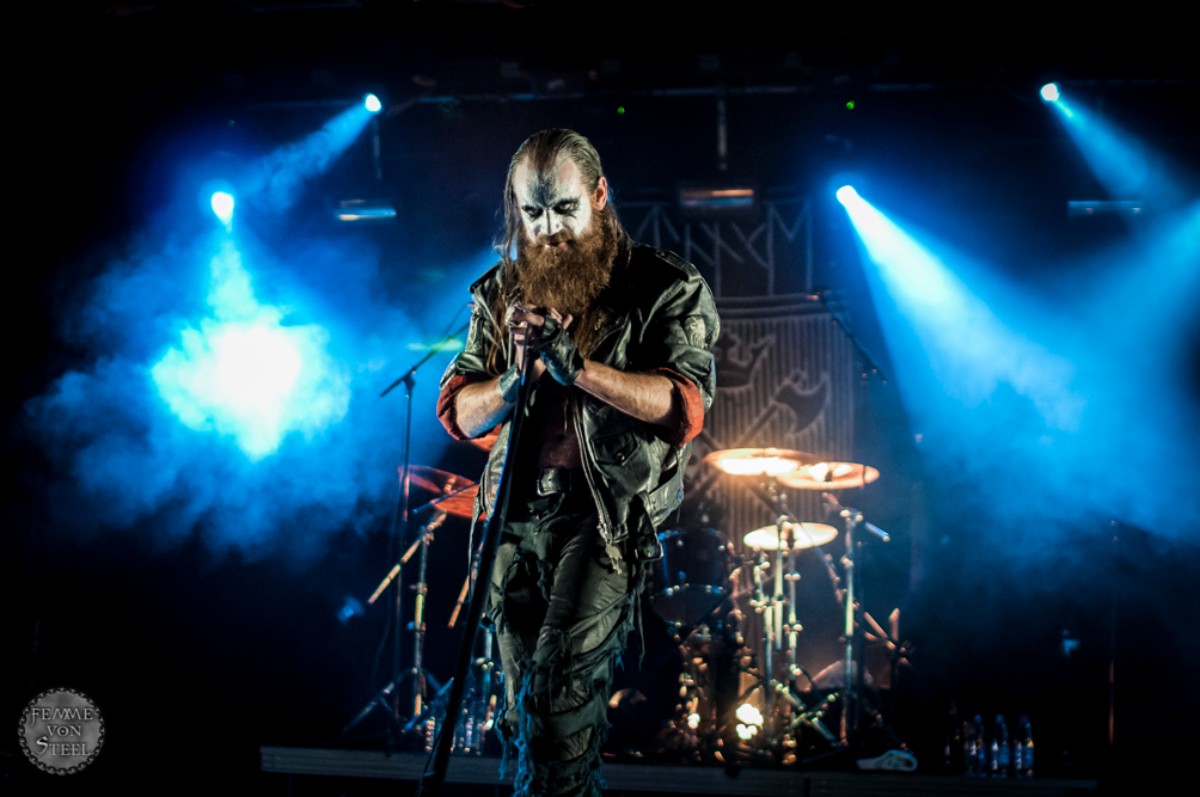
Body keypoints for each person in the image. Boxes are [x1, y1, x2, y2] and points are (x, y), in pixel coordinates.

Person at [436, 128, 720, 796]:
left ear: (598, 195)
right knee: (521, 720)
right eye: (532, 214)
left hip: (601, 519)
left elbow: (683, 405)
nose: (548, 228)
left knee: (557, 709)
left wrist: (579, 367)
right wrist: (514, 378)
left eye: (563, 208)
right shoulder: (502, 290)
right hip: (512, 516)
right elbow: (457, 410)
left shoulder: (661, 284)